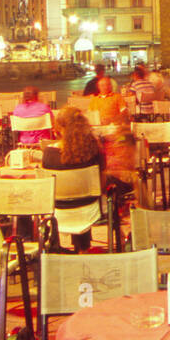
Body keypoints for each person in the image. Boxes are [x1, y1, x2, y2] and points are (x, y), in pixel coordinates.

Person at [42, 107, 104, 252]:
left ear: (60, 128)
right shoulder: (93, 150)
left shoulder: (49, 153)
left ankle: (53, 246)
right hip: (89, 210)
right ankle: (83, 247)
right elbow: (100, 181)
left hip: (57, 212)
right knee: (81, 191)